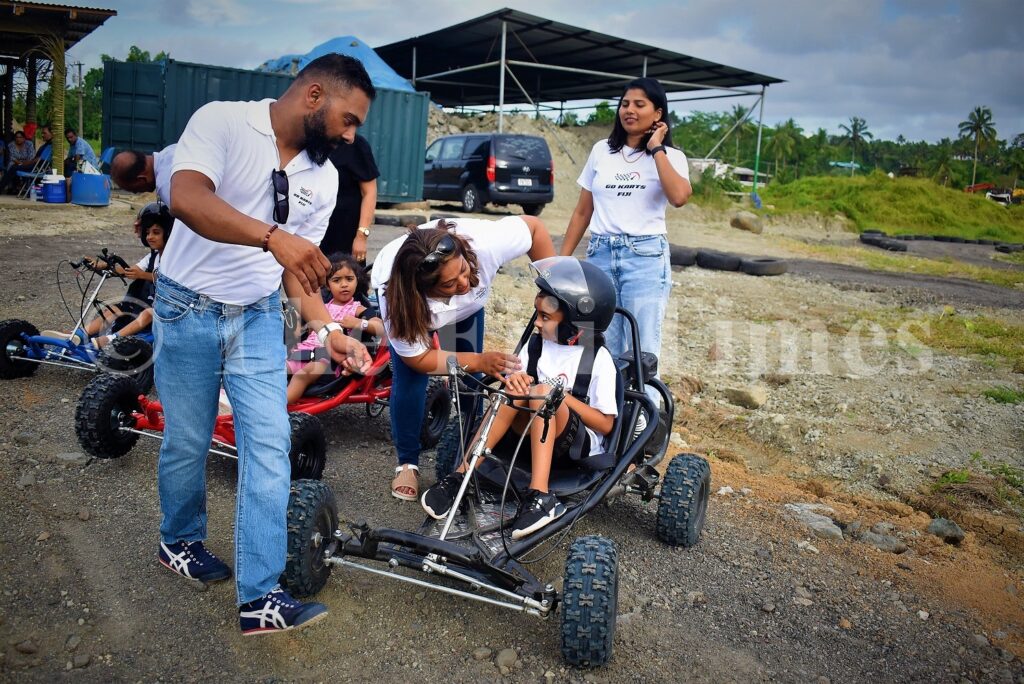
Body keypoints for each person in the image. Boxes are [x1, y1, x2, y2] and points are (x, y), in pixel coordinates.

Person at [158, 53, 375, 636]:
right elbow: (187, 198)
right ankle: (177, 540)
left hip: (256, 316)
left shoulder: (325, 177)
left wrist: (328, 332)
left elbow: (296, 271)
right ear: (313, 97)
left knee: (270, 445)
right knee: (187, 439)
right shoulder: (223, 121)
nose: (352, 136)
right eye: (348, 120)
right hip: (186, 307)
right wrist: (272, 237)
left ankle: (260, 595)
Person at [421, 256, 618, 539]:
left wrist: (557, 396)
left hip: (574, 448)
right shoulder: (536, 344)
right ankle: (460, 477)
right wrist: (516, 379)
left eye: (546, 318)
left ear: (576, 325)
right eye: (536, 314)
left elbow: (606, 425)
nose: (536, 322)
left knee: (541, 393)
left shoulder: (597, 359)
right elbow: (518, 384)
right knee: (512, 389)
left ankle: (541, 497)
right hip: (526, 437)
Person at [371, 215, 556, 501]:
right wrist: (480, 359)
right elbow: (419, 359)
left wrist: (554, 291)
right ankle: (407, 462)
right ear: (424, 289)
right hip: (414, 308)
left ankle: (472, 452)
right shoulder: (398, 301)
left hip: (467, 311)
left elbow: (535, 228)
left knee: (471, 376)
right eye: (450, 283)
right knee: (411, 380)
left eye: (461, 269)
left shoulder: (487, 244)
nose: (464, 281)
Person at [560, 77, 692, 372]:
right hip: (600, 255)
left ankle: (643, 415)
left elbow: (680, 197)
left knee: (641, 346)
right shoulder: (601, 151)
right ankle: (606, 413)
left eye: (639, 104)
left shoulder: (671, 157)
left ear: (658, 114)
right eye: (625, 104)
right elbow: (583, 211)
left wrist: (656, 148)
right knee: (598, 340)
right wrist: (562, 259)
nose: (629, 110)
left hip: (644, 257)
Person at [61, 202, 172, 346]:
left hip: (163, 310)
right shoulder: (152, 257)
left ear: (168, 233)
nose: (150, 237)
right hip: (145, 303)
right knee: (113, 309)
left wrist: (143, 275)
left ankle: (110, 340)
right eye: (148, 232)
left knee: (148, 313)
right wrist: (102, 266)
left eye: (156, 233)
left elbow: (173, 282)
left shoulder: (174, 259)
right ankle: (77, 336)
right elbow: (129, 271)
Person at [285, 254, 383, 403]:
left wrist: (359, 323)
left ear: (357, 280)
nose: (344, 284)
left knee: (300, 377)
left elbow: (380, 327)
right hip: (304, 351)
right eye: (336, 280)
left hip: (329, 360)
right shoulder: (320, 308)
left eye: (349, 279)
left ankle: (275, 412)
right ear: (327, 284)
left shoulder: (358, 309)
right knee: (277, 371)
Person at [320, 133, 379, 261]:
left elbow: (370, 192)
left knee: (344, 278)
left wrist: (361, 237)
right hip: (312, 234)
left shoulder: (356, 145)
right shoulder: (308, 142)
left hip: (344, 237)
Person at [109, 144, 176, 205]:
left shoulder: (165, 186)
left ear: (141, 179)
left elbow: (184, 215)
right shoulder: (170, 149)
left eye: (134, 189)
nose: (135, 193)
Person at [63, 127, 99, 201]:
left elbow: (77, 159)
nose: (69, 139)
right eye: (67, 138)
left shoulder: (79, 143)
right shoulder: (72, 144)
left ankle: (69, 193)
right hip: (82, 164)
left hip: (90, 167)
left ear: (75, 135)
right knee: (66, 165)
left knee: (70, 167)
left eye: (71, 137)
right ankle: (67, 187)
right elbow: (69, 158)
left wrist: (70, 161)